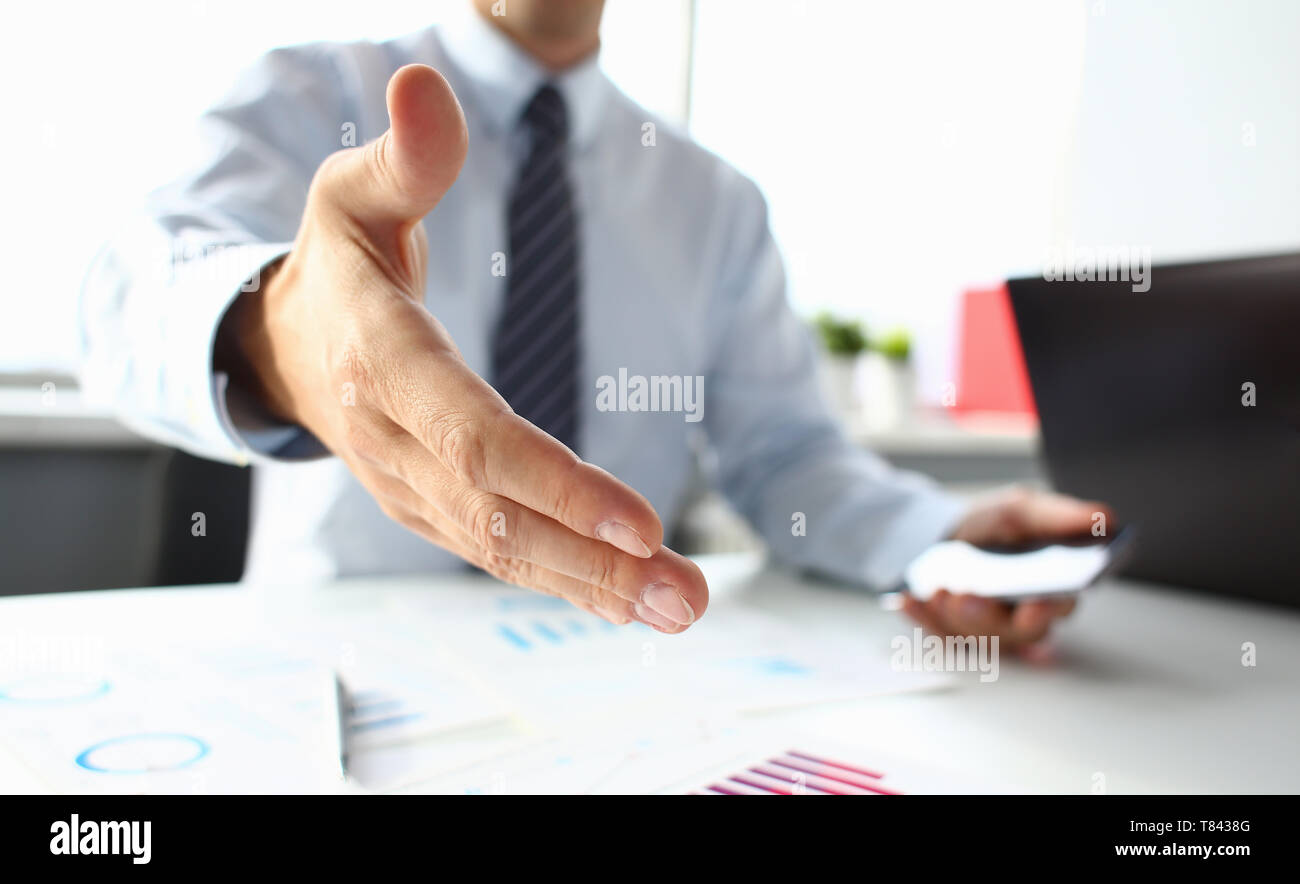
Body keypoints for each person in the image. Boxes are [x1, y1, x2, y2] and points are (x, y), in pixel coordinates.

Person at [80, 0, 1104, 645]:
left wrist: (941, 533)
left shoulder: (715, 200)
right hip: (337, 662)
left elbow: (787, 460)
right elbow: (119, 297)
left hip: (624, 667)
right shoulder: (312, 94)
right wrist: (278, 333)